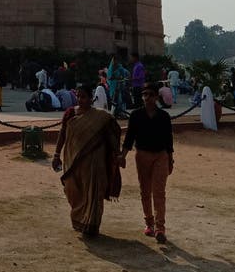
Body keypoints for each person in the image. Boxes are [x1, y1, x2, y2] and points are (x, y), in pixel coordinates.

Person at [52, 84, 121, 237]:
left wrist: (117, 154)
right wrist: (56, 154)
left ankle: (91, 225)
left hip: (94, 161)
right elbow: (62, 134)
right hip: (72, 160)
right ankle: (78, 219)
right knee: (72, 190)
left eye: (84, 96)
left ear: (91, 99)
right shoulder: (70, 114)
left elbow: (112, 135)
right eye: (78, 96)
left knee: (93, 192)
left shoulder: (101, 117)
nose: (80, 99)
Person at [119, 82, 174, 244]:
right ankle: (149, 222)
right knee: (145, 191)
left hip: (161, 155)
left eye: (150, 94)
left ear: (157, 97)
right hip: (142, 154)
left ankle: (160, 227)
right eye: (145, 94)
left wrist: (170, 159)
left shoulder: (164, 116)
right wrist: (122, 155)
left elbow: (168, 139)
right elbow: (129, 138)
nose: (147, 97)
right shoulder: (136, 115)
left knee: (159, 192)